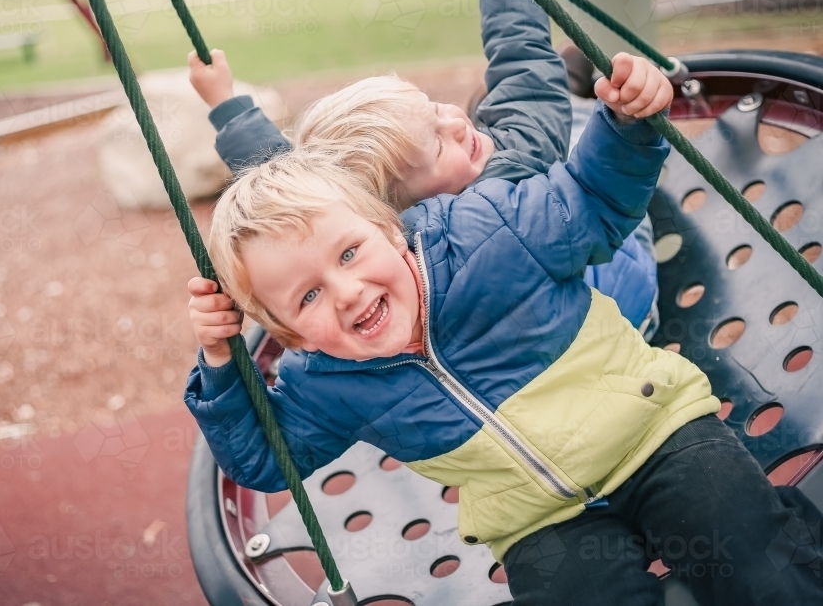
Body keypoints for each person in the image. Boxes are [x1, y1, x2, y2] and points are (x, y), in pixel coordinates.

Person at [185, 53, 823, 604]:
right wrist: (219, 359)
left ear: (388, 227)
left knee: (758, 565)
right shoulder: (322, 381)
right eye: (310, 298)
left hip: (654, 434)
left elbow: (592, 196)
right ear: (288, 335)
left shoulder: (488, 231)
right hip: (541, 520)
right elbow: (266, 459)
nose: (348, 293)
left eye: (351, 254)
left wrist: (626, 124)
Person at [188, 0, 660, 338]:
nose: (454, 126)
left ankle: (570, 78)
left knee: (488, 114)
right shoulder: (519, 158)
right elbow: (522, 63)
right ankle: (576, 84)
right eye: (437, 145)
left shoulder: (392, 255)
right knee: (569, 131)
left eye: (435, 110)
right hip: (621, 301)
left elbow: (288, 183)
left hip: (541, 325)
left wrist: (226, 105)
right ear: (391, 218)